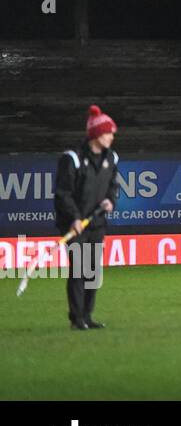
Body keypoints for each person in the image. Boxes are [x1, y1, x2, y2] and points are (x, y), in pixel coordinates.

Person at [53, 105, 120, 330]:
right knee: (79, 268)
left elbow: (113, 186)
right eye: (109, 132)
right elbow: (63, 194)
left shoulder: (112, 158)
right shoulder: (71, 159)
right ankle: (76, 318)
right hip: (75, 224)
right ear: (96, 134)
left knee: (93, 270)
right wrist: (73, 218)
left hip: (97, 223)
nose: (112, 136)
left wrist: (111, 200)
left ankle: (88, 316)